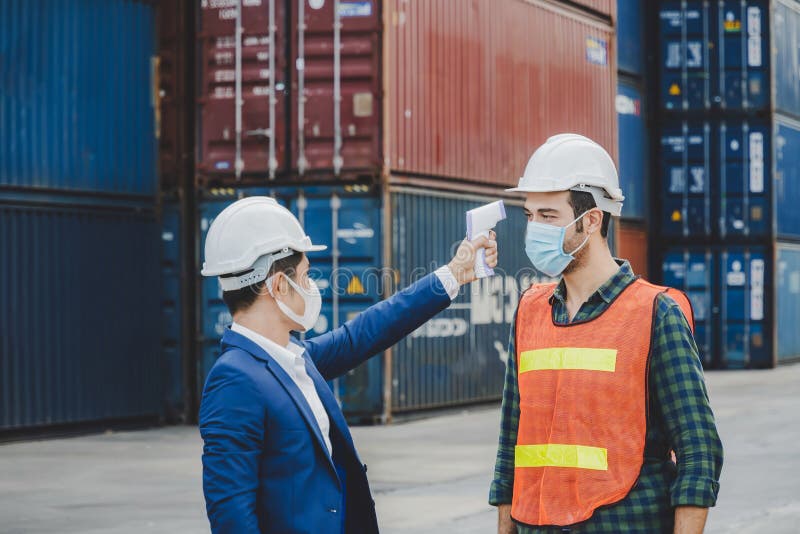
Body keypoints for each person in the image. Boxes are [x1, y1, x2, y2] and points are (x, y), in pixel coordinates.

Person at [199, 196, 498, 533]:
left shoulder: (293, 358)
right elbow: (231, 515)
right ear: (280, 285)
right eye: (306, 275)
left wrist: (454, 273)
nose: (312, 286)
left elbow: (364, 333)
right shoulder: (235, 378)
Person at [489, 134, 723, 533]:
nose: (534, 230)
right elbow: (512, 439)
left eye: (548, 216)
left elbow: (698, 449)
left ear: (592, 219)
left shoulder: (655, 314)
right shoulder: (531, 310)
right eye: (529, 216)